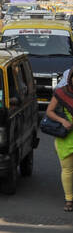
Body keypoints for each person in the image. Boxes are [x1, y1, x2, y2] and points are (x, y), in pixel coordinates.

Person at [45, 68, 73, 211]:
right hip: (66, 138)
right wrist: (62, 121)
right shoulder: (61, 93)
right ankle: (69, 200)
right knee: (67, 170)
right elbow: (49, 112)